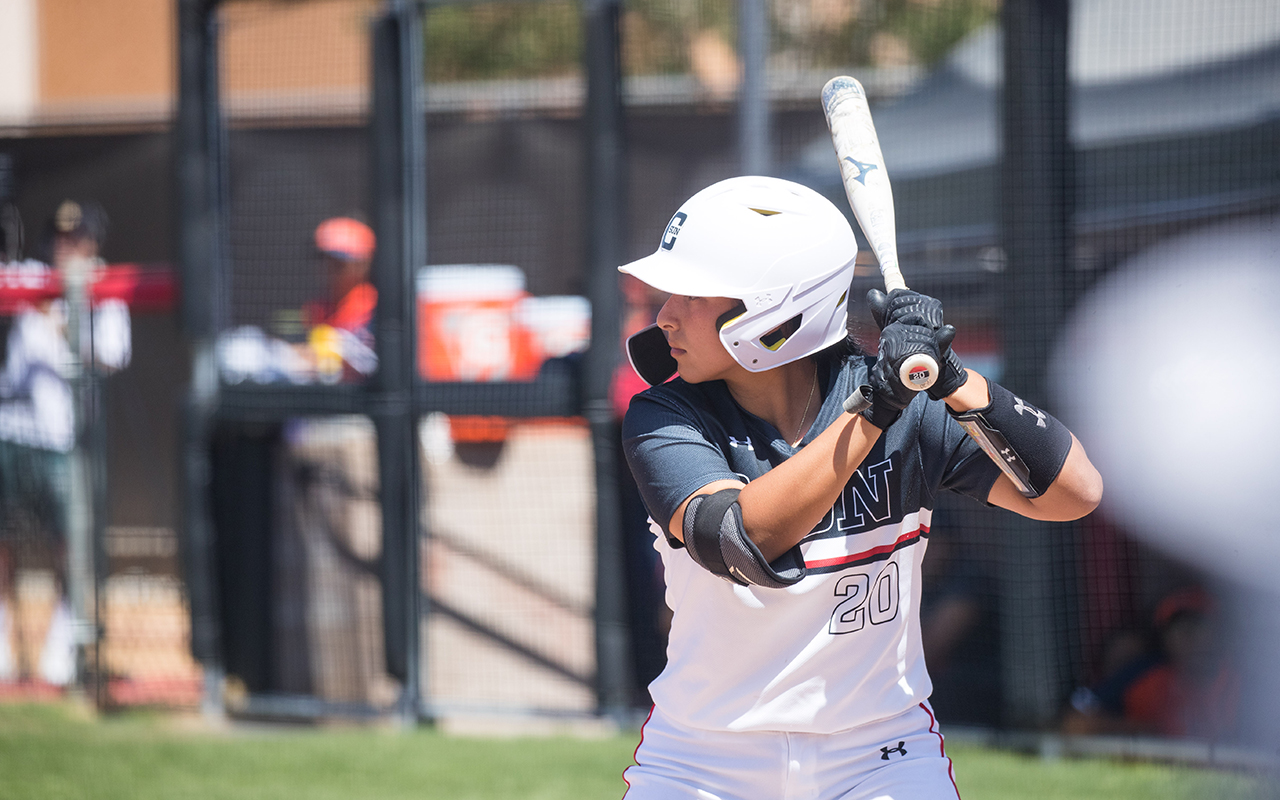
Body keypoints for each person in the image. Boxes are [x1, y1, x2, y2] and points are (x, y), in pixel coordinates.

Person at [618, 176, 1102, 799]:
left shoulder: (909, 406)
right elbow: (739, 541)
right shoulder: (665, 416)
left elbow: (1074, 493)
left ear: (775, 309)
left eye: (693, 294)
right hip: (703, 758)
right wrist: (879, 403)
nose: (665, 316)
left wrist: (949, 376)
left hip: (880, 755)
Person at [0, 199, 130, 687]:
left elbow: (114, 355)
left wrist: (65, 314)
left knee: (69, 545)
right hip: (11, 431)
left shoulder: (105, 290)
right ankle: (4, 647)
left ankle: (62, 647)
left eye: (76, 239)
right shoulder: (32, 275)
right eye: (60, 238)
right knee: (4, 541)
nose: (66, 247)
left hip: (64, 439)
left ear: (93, 243)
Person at [301, 216, 377, 383]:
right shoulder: (317, 308)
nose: (328, 269)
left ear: (363, 263)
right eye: (323, 260)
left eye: (338, 263)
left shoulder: (375, 308)